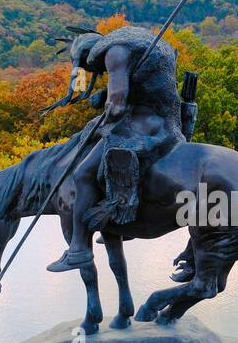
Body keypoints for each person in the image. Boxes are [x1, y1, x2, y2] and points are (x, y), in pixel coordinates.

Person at [45, 25, 186, 272]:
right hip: (166, 121)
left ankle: (78, 248)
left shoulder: (115, 53)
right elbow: (142, 85)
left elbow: (118, 107)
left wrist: (109, 106)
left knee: (83, 174)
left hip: (145, 125)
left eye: (94, 70)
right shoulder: (137, 43)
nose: (98, 72)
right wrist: (105, 96)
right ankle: (116, 219)